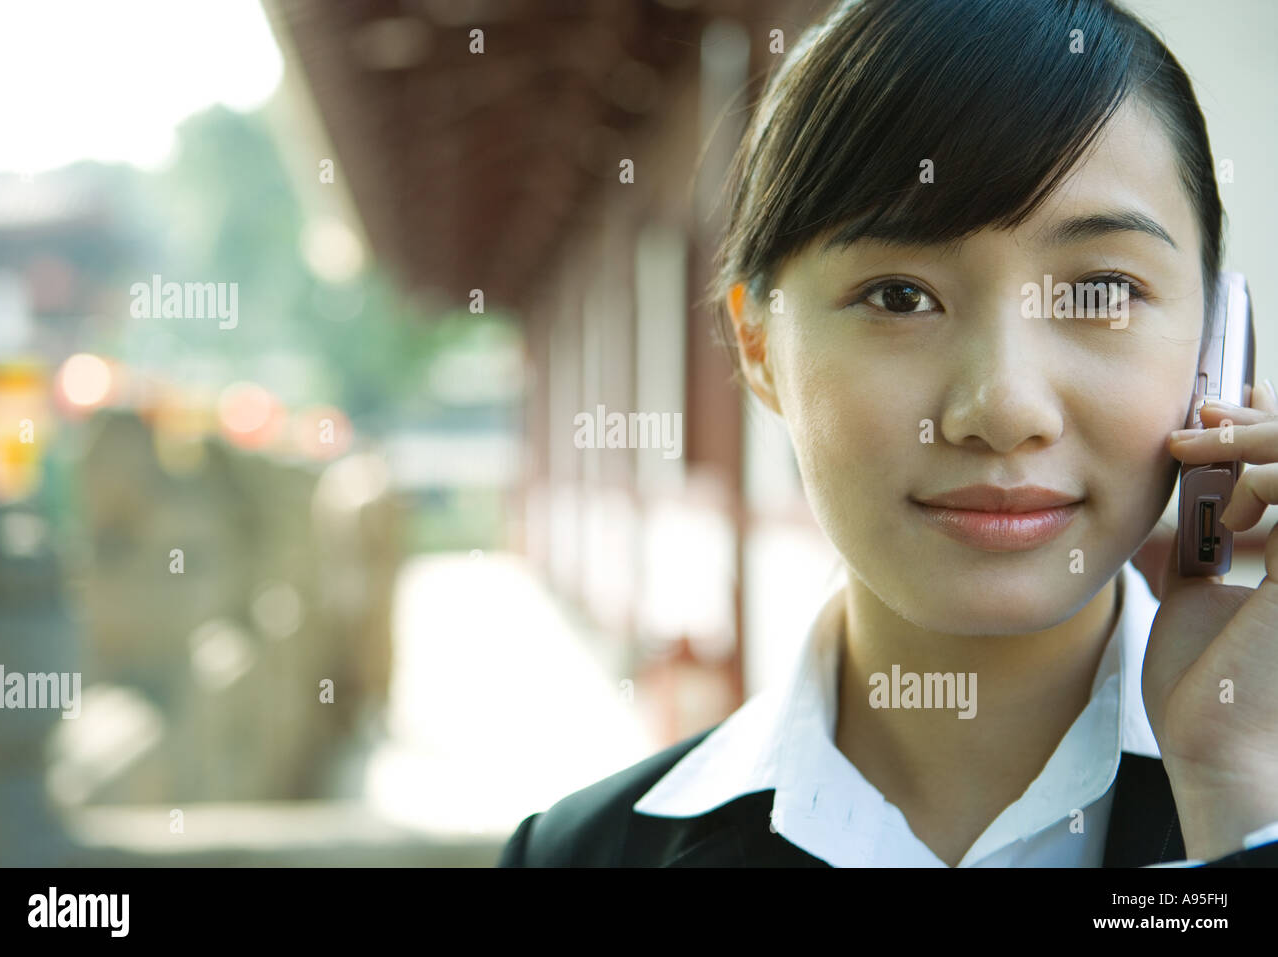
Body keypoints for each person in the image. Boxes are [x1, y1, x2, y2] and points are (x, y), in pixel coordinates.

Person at [498, 0, 1278, 867]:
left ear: (1219, 342)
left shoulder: (1250, 790)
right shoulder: (578, 856)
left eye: (1098, 292)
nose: (1004, 408)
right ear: (759, 345)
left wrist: (1236, 802)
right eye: (900, 296)